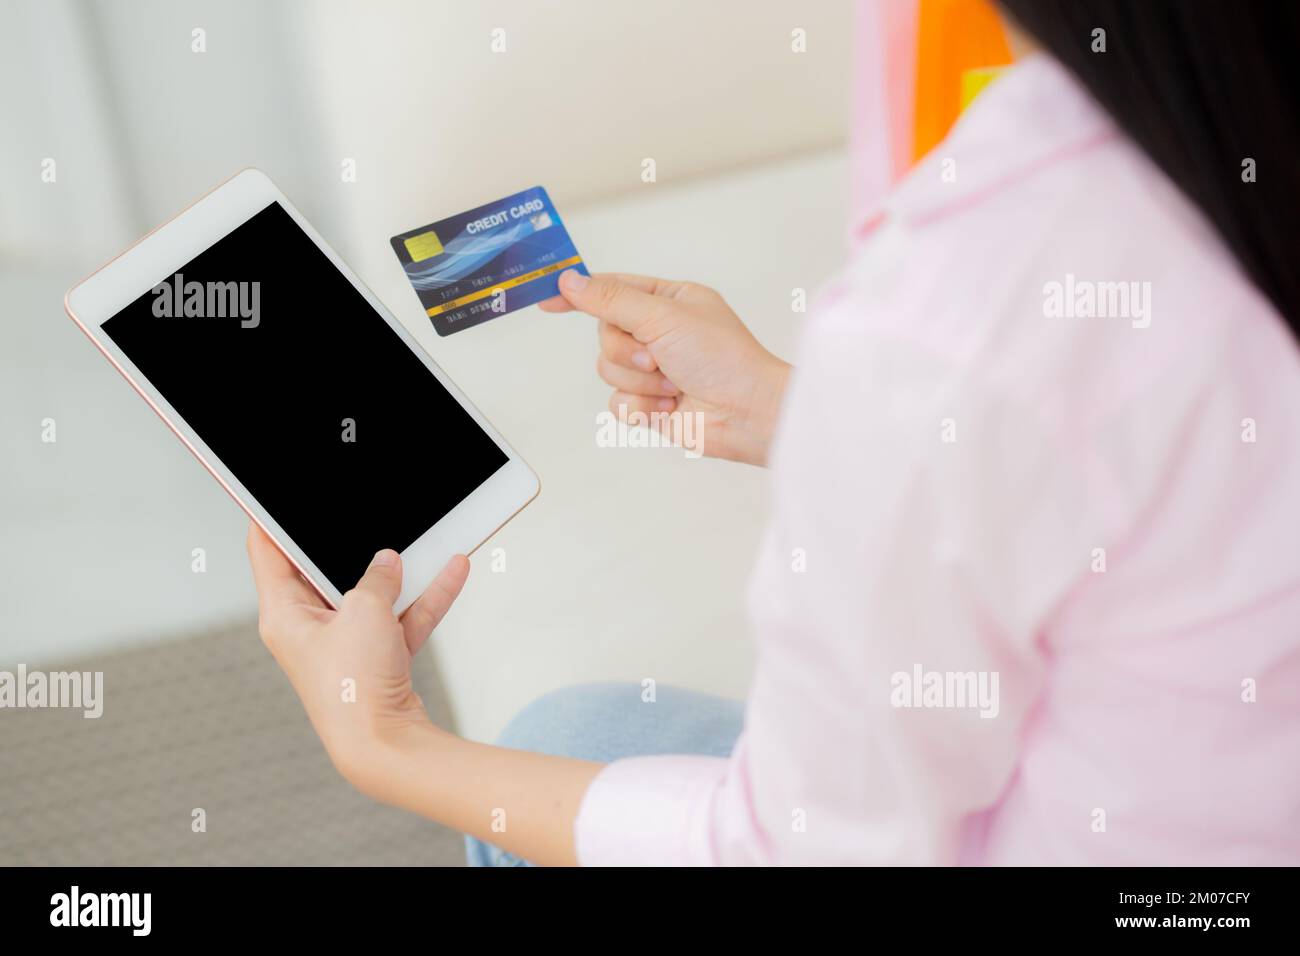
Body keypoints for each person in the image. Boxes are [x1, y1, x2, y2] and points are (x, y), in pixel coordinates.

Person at [247, 2, 1300, 865]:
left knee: (549, 749)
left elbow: (792, 853)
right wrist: (806, 414)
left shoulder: (970, 297)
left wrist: (383, 740)